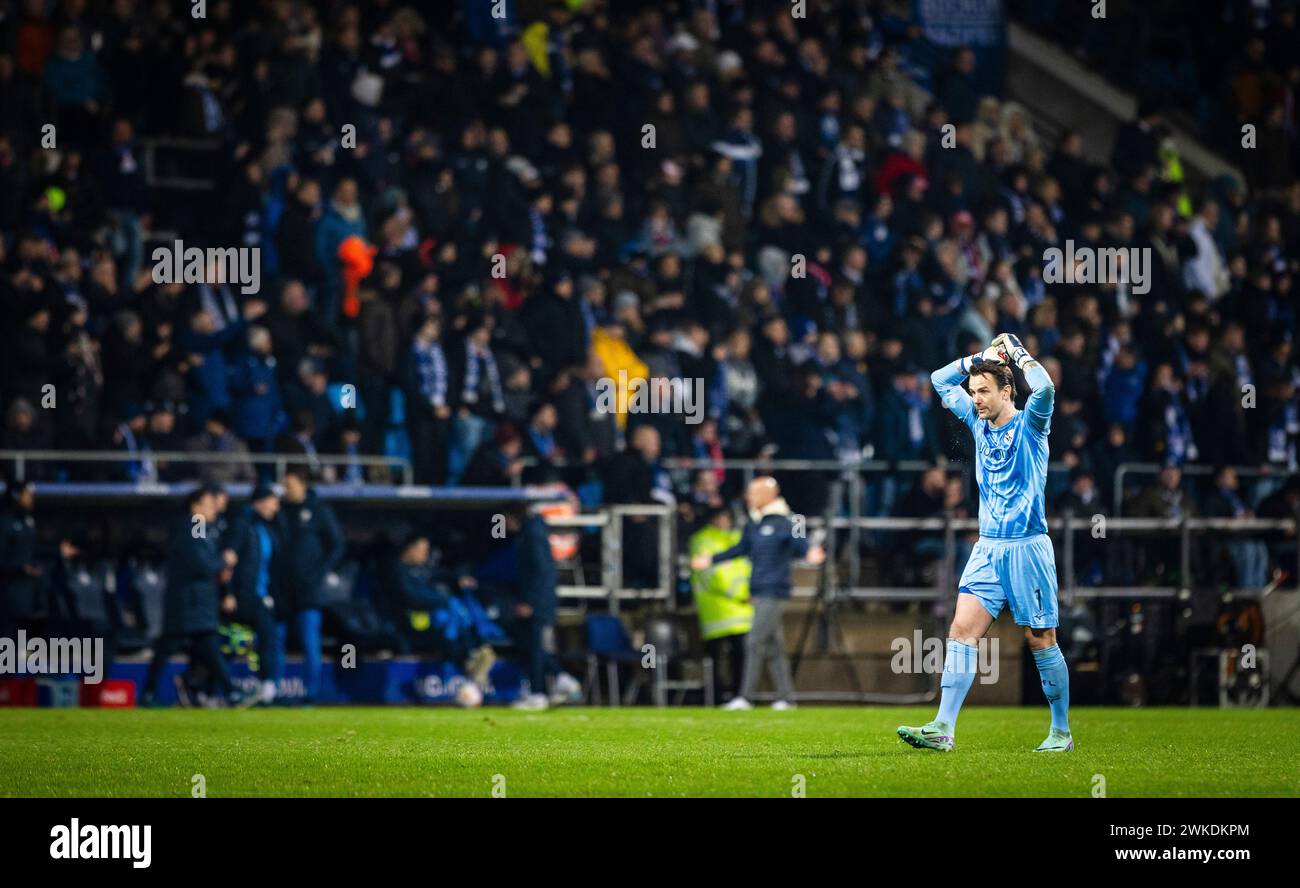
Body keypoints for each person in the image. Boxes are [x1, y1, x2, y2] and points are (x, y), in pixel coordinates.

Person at [897, 333, 1071, 753]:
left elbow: (1045, 387)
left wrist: (1015, 352)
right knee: (961, 631)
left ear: (1006, 391)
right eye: (973, 392)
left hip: (1027, 547)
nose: (975, 399)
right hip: (988, 549)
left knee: (1040, 639)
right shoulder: (977, 422)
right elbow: (939, 382)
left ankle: (1061, 731)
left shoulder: (1032, 424)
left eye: (984, 391)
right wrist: (978, 357)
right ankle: (943, 727)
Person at [691, 476, 825, 710]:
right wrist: (711, 559)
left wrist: (811, 552)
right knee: (774, 646)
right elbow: (740, 549)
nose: (748, 497)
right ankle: (786, 698)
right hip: (759, 589)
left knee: (754, 640)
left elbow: (802, 541)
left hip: (775, 590)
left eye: (753, 492)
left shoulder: (790, 519)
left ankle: (745, 696)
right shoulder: (753, 523)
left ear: (768, 495)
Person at [142, 488, 252, 707]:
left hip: (198, 600)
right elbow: (200, 562)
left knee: (205, 645)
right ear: (196, 506)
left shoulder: (201, 527)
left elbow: (205, 558)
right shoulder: (192, 525)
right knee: (172, 645)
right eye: (209, 504)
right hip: (187, 599)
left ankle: (230, 691)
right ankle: (150, 693)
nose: (214, 509)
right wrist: (224, 561)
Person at [278, 465, 344, 703]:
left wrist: (320, 572)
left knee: (309, 641)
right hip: (281, 588)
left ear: (303, 485)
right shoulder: (279, 510)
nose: (286, 489)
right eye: (284, 485)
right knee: (276, 641)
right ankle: (272, 691)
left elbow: (337, 545)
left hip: (309, 588)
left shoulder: (319, 511)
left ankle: (310, 694)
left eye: (290, 485)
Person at [222, 485, 285, 704]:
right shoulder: (242, 524)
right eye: (273, 501)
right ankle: (261, 688)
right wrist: (228, 593)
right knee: (233, 642)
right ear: (259, 501)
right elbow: (228, 560)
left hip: (261, 595)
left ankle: (266, 688)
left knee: (266, 638)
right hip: (243, 595)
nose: (276, 507)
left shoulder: (266, 528)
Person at [688, 506, 753, 704]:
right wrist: (742, 593)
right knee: (714, 657)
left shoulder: (735, 538)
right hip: (716, 609)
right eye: (723, 516)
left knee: (740, 656)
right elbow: (712, 575)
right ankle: (716, 696)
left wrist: (751, 591)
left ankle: (740, 695)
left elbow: (745, 567)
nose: (726, 520)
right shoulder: (703, 540)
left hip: (740, 610)